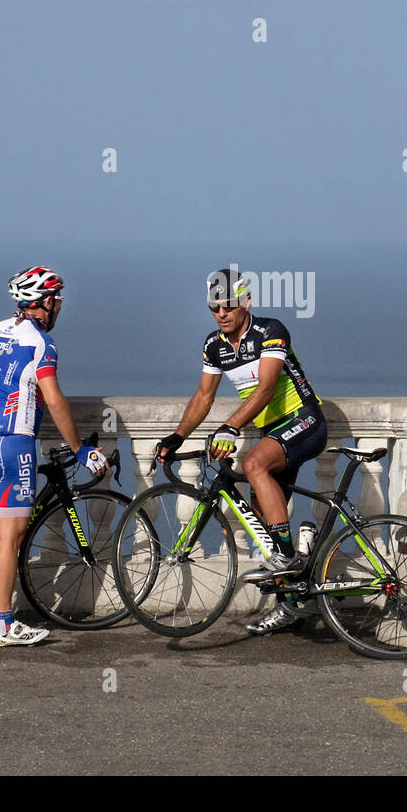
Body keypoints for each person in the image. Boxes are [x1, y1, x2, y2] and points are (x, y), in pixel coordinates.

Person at [157, 267, 327, 634]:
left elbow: (266, 388)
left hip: (304, 420)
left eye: (229, 306)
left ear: (246, 302)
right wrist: (177, 436)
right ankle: (294, 597)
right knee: (265, 523)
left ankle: (286, 556)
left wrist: (231, 426)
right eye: (214, 308)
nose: (221, 314)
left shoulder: (271, 331)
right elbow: (204, 397)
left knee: (252, 463)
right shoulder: (213, 346)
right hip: (272, 432)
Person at [0, 266, 108, 647]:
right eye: (58, 299)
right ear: (46, 301)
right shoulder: (41, 344)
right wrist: (81, 449)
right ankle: (3, 624)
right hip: (13, 445)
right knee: (11, 537)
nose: (59, 306)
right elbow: (53, 397)